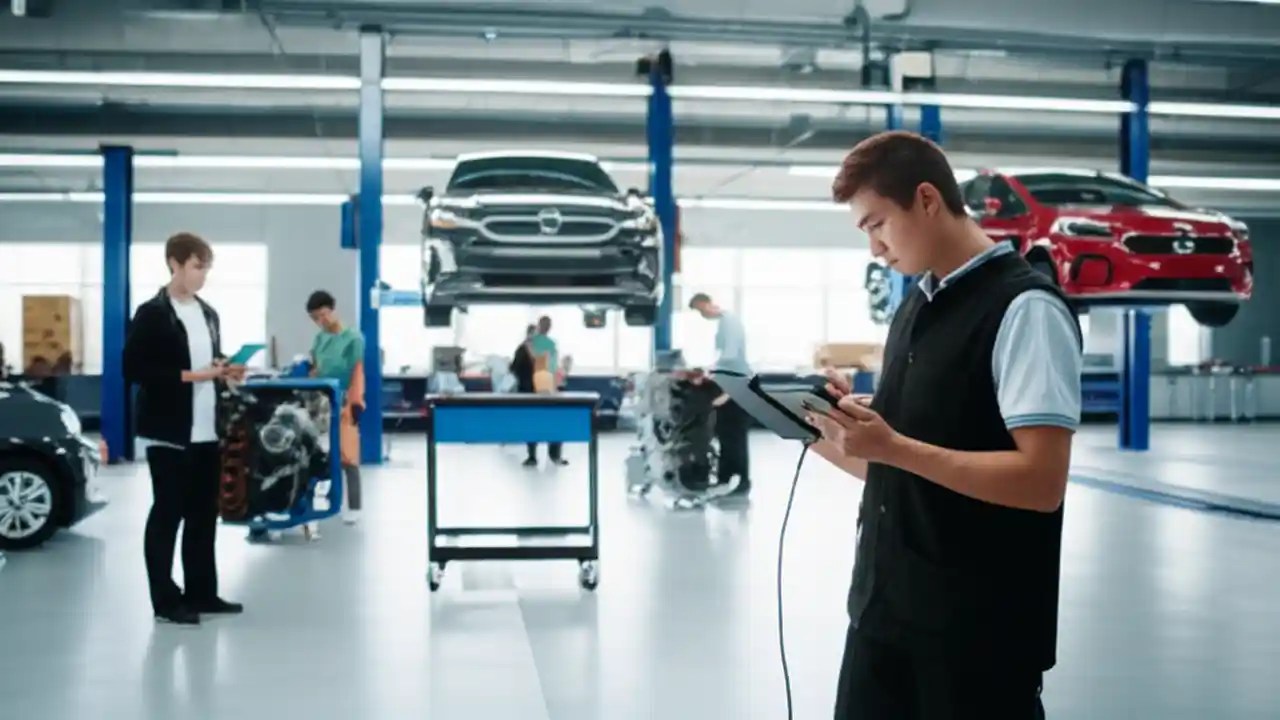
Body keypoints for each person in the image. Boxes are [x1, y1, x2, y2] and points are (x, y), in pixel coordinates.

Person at [805, 131, 1082, 719]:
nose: (875, 248)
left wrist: (894, 447)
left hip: (974, 639)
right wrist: (820, 430)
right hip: (883, 617)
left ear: (927, 200)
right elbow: (893, 468)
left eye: (877, 224)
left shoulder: (1025, 309)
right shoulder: (917, 306)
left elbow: (1041, 482)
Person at [123, 232, 246, 626]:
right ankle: (165, 600)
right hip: (168, 432)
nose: (202, 275)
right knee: (168, 513)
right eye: (197, 267)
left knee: (202, 515)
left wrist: (225, 371)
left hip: (206, 430)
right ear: (174, 263)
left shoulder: (208, 313)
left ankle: (201, 592)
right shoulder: (152, 313)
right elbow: (135, 370)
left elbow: (211, 362)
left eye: (206, 268)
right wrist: (196, 374)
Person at [306, 290, 366, 527]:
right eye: (315, 318)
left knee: (348, 456)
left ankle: (354, 506)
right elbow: (316, 367)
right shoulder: (320, 339)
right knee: (315, 454)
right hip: (319, 401)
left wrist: (355, 403)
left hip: (344, 401)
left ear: (332, 310)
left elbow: (357, 372)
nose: (320, 322)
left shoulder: (353, 339)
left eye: (322, 315)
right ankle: (319, 501)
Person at [688, 292, 751, 498]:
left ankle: (741, 481)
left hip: (736, 383)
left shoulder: (729, 322)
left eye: (700, 310)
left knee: (734, 436)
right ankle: (725, 478)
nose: (702, 315)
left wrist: (711, 373)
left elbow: (730, 357)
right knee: (726, 434)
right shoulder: (725, 322)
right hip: (729, 381)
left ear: (706, 304)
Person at [525, 315, 567, 467]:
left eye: (549, 324)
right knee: (533, 422)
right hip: (535, 386)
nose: (546, 327)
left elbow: (553, 366)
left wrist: (557, 382)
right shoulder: (530, 343)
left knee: (555, 421)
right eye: (544, 324)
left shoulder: (551, 344)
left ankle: (555, 455)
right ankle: (532, 456)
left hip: (551, 386)